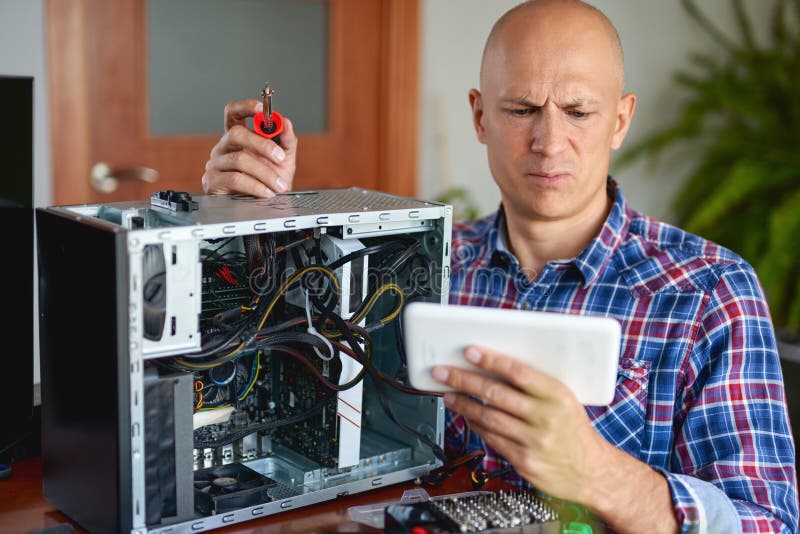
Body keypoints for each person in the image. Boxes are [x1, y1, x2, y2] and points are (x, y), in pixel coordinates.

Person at [202, 1, 798, 531]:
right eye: (521, 109)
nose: (549, 140)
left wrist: (596, 473)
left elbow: (767, 520)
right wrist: (243, 223)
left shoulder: (707, 291)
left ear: (620, 120)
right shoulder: (418, 268)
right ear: (481, 116)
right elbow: (278, 391)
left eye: (578, 112)